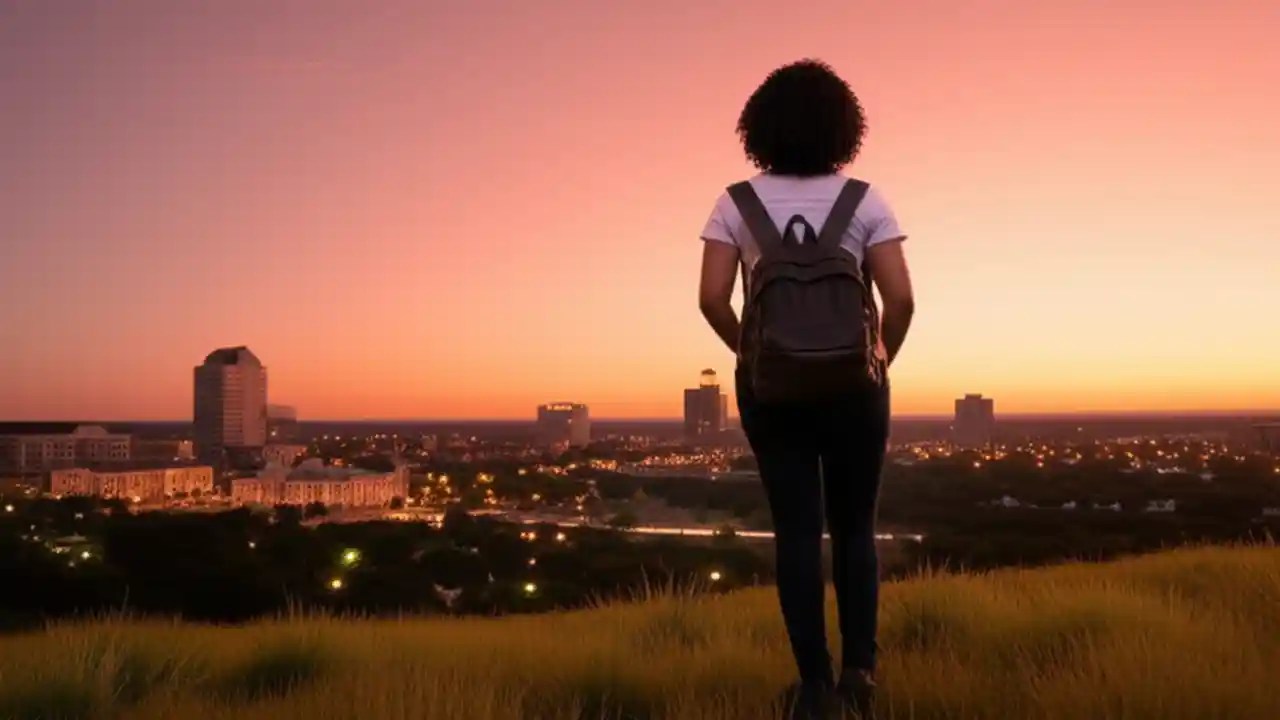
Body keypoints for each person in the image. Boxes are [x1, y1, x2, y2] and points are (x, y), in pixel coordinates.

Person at [697, 59, 915, 719]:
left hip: (772, 387)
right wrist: (877, 362)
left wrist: (756, 355)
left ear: (757, 128)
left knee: (796, 532)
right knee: (855, 528)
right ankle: (862, 676)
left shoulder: (735, 202)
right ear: (844, 128)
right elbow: (901, 301)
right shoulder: (866, 201)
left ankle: (814, 687)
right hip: (856, 385)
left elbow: (710, 300)